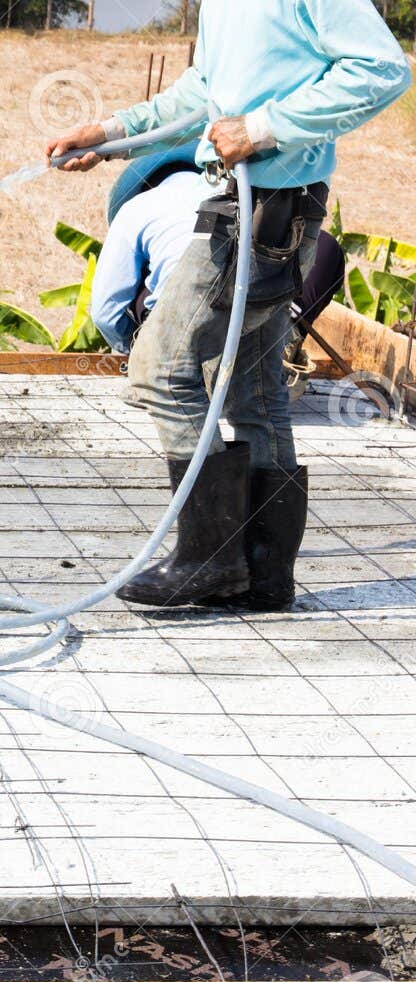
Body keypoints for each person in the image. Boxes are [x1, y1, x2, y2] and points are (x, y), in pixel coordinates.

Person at [47, 0, 410, 611]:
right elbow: (205, 93)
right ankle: (264, 576)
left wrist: (263, 129)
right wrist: (112, 135)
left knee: (161, 372)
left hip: (266, 209)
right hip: (248, 205)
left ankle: (209, 558)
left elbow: (381, 70)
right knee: (255, 393)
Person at [91, 143, 348, 397]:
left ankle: (167, 359)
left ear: (147, 184)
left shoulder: (138, 206)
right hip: (259, 318)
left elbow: (105, 313)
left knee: (153, 278)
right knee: (325, 247)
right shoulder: (230, 192)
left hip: (179, 338)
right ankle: (280, 340)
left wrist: (133, 350)